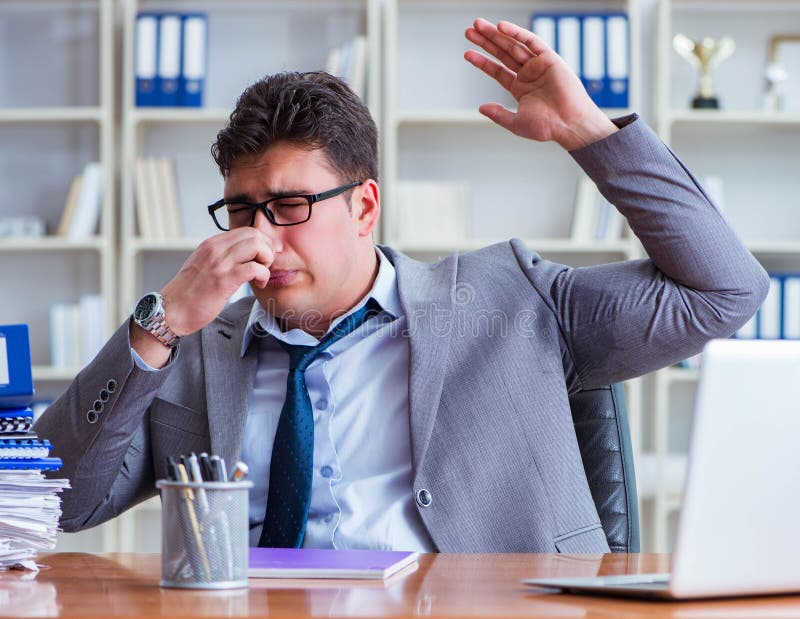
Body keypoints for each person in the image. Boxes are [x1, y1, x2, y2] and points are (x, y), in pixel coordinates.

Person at [35, 18, 767, 552]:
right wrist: (158, 325)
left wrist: (588, 131)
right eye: (241, 210)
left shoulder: (511, 301)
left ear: (364, 206)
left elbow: (725, 290)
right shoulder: (190, 351)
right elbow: (57, 504)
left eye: (291, 206)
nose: (261, 237)